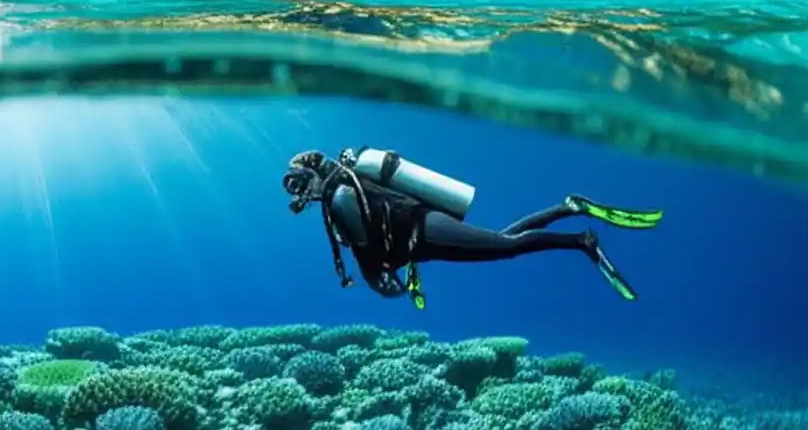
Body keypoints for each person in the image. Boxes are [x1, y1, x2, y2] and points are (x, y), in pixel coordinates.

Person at [281, 147, 662, 310]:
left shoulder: (341, 197)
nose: (299, 192)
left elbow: (366, 253)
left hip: (425, 232)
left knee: (506, 246)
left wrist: (380, 283)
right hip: (422, 239)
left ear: (315, 173)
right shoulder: (338, 197)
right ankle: (567, 208)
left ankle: (581, 240)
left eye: (299, 182)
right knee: (504, 241)